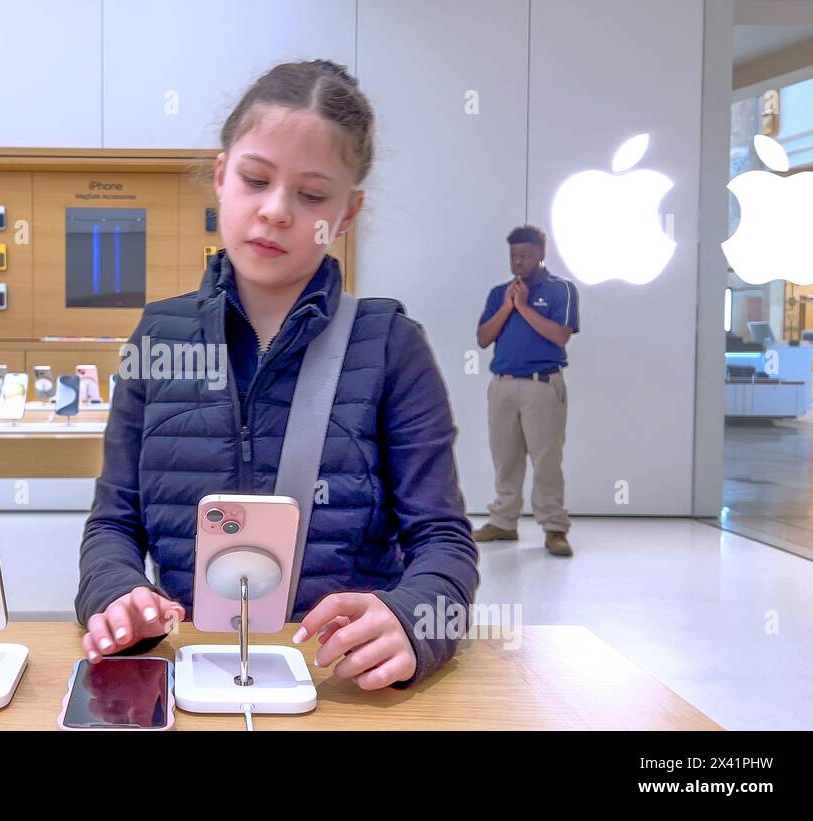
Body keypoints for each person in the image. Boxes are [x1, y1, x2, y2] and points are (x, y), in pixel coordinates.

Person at [74, 59, 479, 689]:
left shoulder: (392, 345)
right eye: (255, 179)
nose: (277, 211)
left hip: (337, 685)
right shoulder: (158, 336)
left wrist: (410, 620)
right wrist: (117, 594)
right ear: (220, 176)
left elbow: (444, 541)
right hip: (193, 678)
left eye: (312, 195)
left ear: (347, 213)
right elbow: (113, 522)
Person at [473, 225, 580, 556]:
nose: (518, 262)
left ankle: (554, 528)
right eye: (514, 256)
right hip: (502, 385)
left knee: (546, 460)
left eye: (525, 256)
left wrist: (523, 307)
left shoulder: (562, 290)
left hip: (542, 386)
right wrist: (508, 306)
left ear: (541, 255)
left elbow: (559, 335)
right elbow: (483, 338)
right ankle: (503, 521)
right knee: (505, 458)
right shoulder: (498, 293)